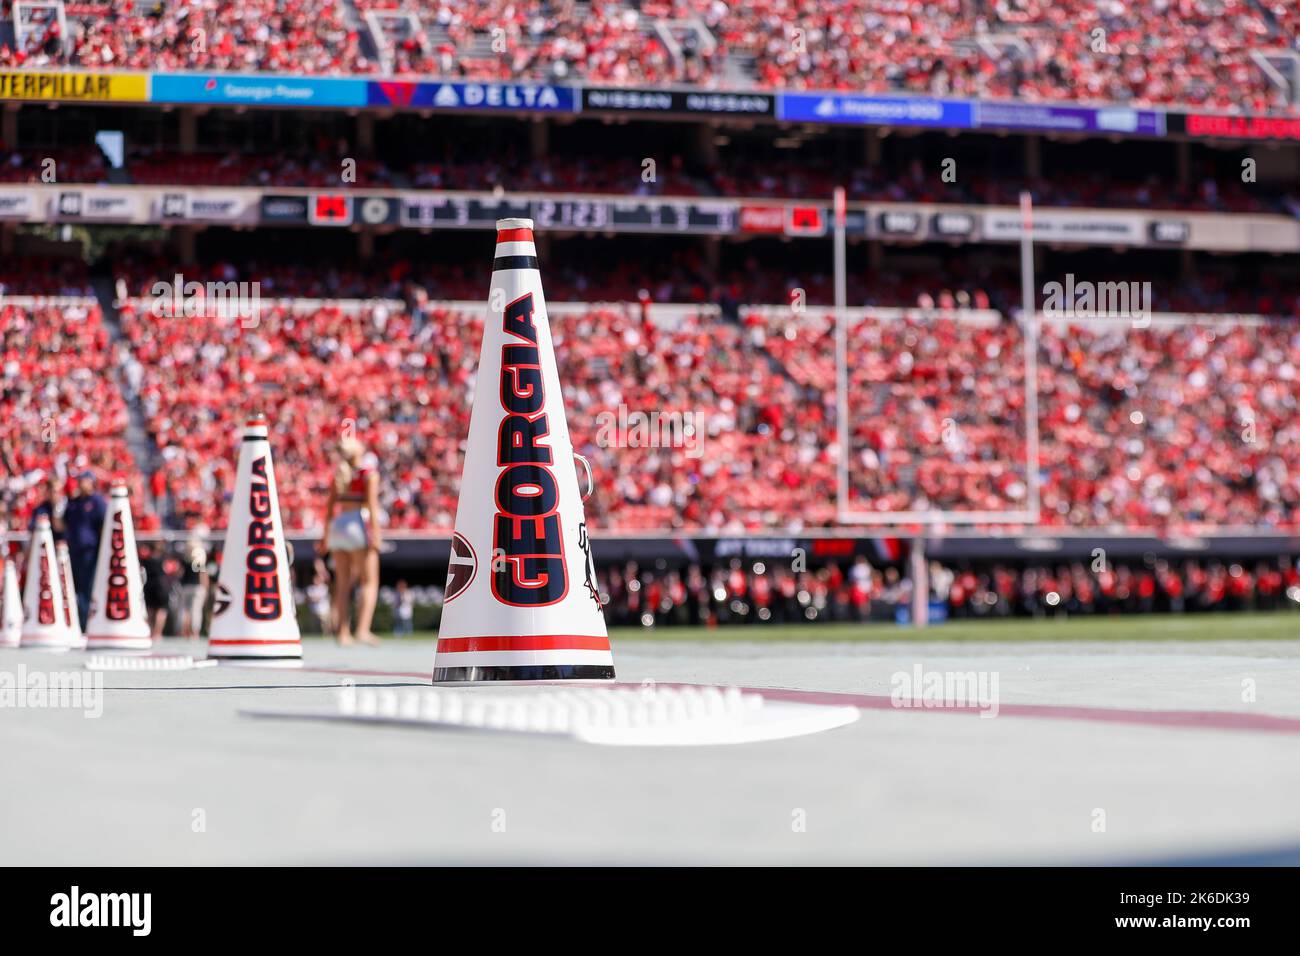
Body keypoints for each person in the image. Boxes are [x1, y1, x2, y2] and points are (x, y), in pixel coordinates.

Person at [321, 438, 382, 646]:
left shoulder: (339, 474)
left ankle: (342, 632)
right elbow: (372, 507)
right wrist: (376, 533)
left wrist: (325, 536)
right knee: (369, 581)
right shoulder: (368, 474)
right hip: (358, 523)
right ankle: (363, 629)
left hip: (339, 525)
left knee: (342, 583)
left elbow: (329, 508)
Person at [62, 470, 105, 624]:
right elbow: (63, 524)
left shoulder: (97, 502)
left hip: (89, 552)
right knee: (73, 588)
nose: (80, 483)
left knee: (87, 589)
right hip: (73, 552)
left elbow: (103, 526)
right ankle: (75, 623)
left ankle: (86, 623)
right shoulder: (73, 502)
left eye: (83, 480)